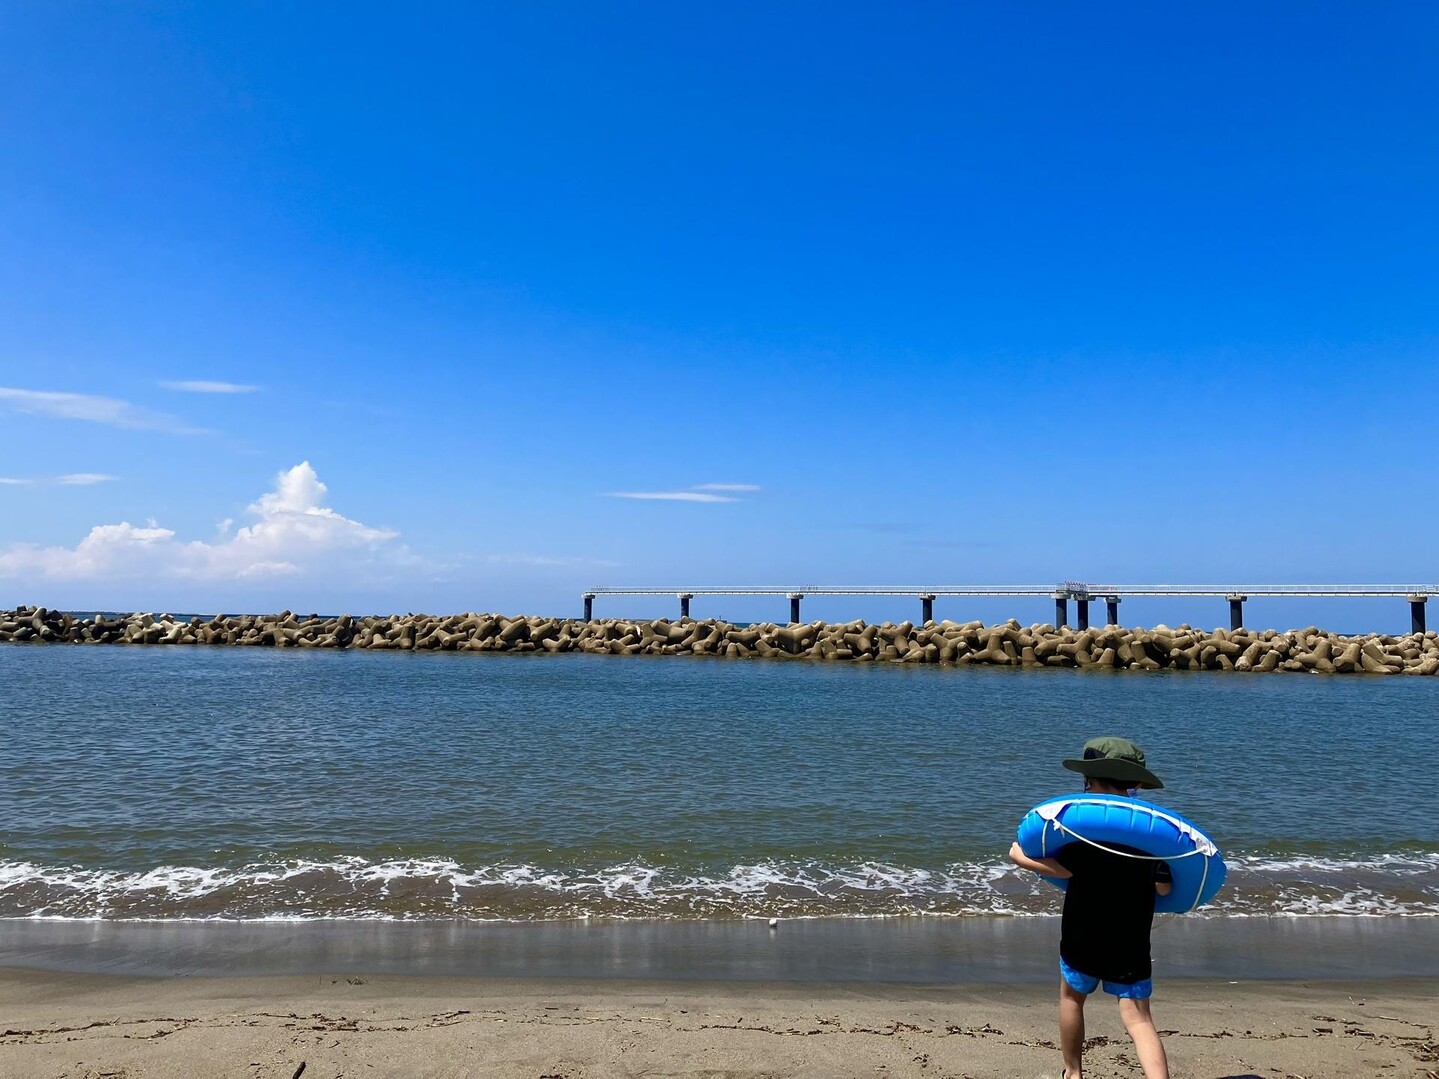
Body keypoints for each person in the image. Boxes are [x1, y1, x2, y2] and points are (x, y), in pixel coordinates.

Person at [1008, 736, 1173, 1079]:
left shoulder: (1082, 835)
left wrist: (1017, 853)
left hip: (1083, 937)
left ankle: (1073, 1073)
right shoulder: (1151, 839)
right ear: (1136, 785)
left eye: (1087, 781)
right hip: (1131, 941)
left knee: (1071, 999)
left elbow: (1052, 866)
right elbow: (1165, 886)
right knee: (1139, 1019)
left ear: (1094, 782)